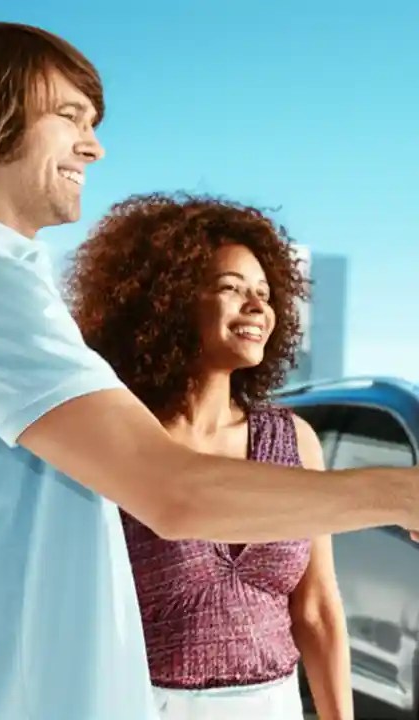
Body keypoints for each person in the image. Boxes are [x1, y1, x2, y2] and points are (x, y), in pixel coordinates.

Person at [0, 21, 419, 720]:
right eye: (70, 118)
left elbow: (312, 605)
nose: (94, 145)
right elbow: (171, 490)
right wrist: (414, 496)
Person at [63, 193, 352, 719]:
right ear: (171, 300)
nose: (257, 308)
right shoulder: (124, 440)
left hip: (276, 704)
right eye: (230, 288)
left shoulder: (294, 442)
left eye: (264, 294)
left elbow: (317, 611)